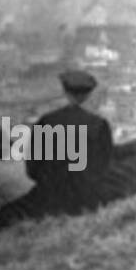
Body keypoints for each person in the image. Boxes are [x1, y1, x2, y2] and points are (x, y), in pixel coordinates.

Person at [27, 69, 113, 215]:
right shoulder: (99, 124)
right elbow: (104, 164)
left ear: (65, 92)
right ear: (88, 94)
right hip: (86, 197)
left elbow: (33, 166)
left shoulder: (46, 121)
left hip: (50, 196)